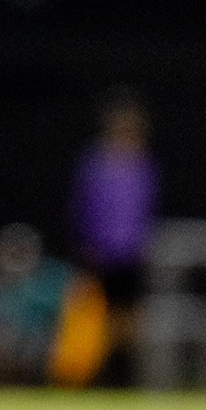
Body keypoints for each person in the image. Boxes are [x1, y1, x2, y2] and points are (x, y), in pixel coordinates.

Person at [70, 88, 159, 384]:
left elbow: (145, 212)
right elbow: (86, 208)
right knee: (99, 315)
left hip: (131, 254)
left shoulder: (142, 166)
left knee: (131, 318)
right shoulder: (96, 164)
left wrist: (143, 245)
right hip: (102, 254)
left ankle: (127, 373)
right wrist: (88, 245)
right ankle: (99, 372)